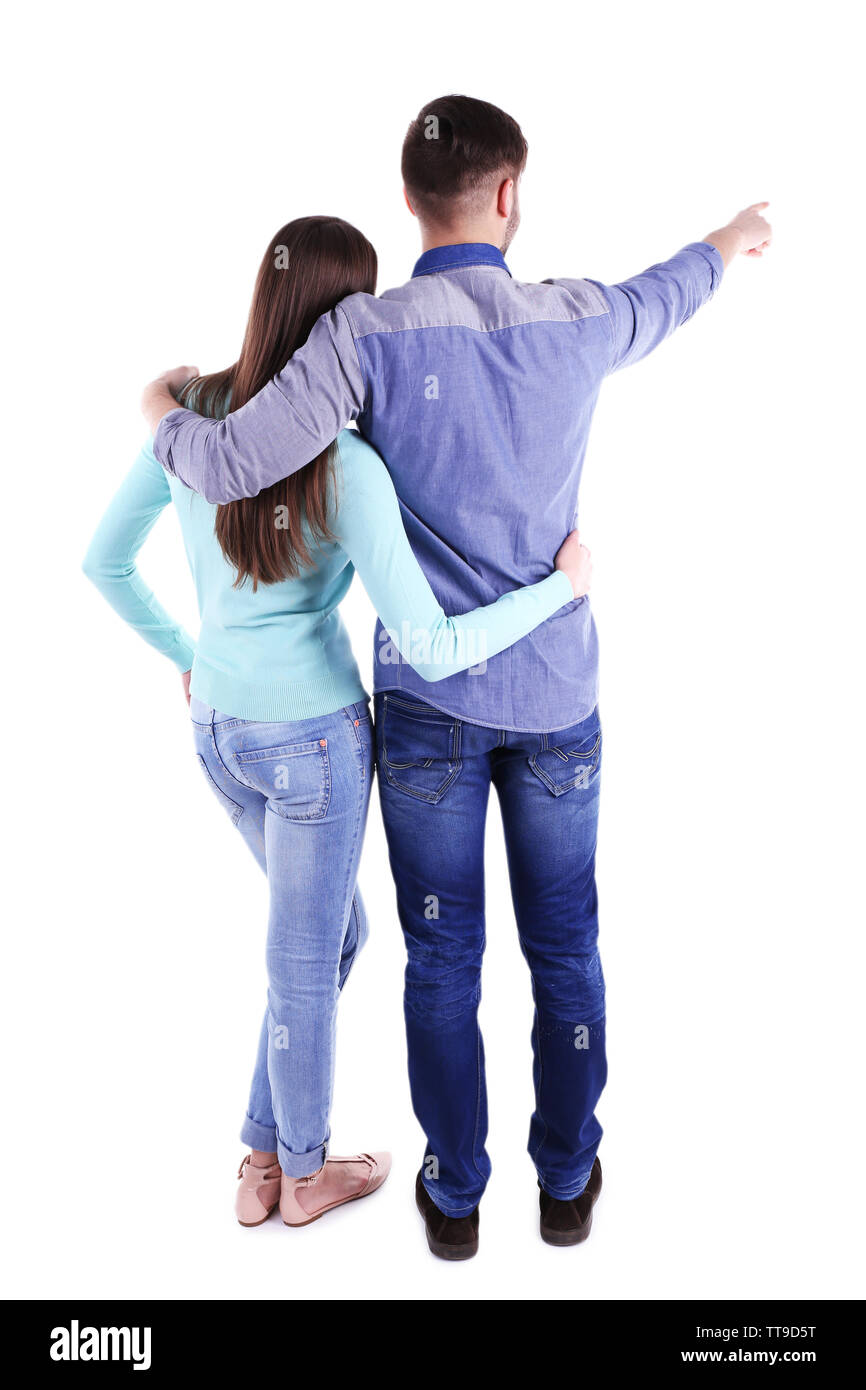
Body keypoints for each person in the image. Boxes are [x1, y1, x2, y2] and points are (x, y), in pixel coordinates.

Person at [140, 96, 772, 1260]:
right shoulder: (579, 315)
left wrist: (160, 411)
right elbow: (667, 291)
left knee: (441, 958)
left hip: (424, 717)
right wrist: (727, 238)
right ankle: (569, 1178)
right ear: (507, 194)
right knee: (566, 945)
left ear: (408, 202)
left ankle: (452, 1194)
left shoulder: (358, 337)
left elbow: (228, 460)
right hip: (552, 703)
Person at [84, 214, 591, 1232]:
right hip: (310, 743)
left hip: (218, 735)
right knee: (310, 957)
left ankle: (260, 1154)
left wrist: (190, 658)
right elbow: (436, 647)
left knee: (329, 934)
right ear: (343, 322)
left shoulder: (192, 418)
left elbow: (103, 562)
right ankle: (305, 1174)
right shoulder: (349, 468)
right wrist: (558, 589)